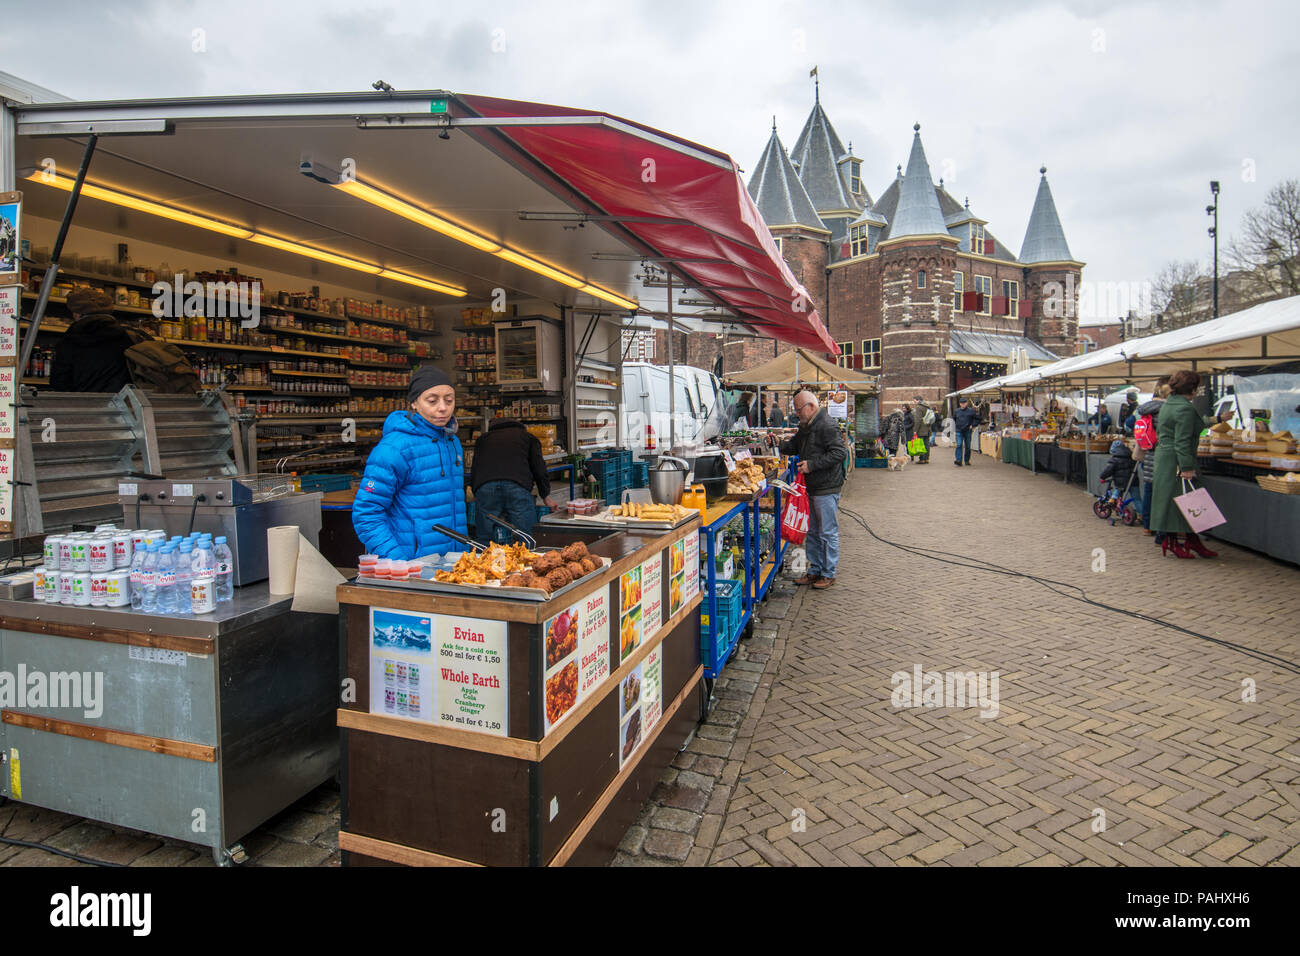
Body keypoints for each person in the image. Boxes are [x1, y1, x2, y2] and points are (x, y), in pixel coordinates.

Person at [353, 366, 468, 559]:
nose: (443, 407)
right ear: (414, 403)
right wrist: (397, 561)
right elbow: (366, 513)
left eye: (449, 400)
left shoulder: (452, 442)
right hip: (413, 565)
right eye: (432, 400)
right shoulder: (394, 449)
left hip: (451, 564)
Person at [780, 390, 846, 589]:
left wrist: (812, 465)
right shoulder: (807, 426)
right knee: (814, 531)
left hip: (826, 486)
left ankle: (828, 573)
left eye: (799, 409)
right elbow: (794, 446)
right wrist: (778, 443)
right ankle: (815, 570)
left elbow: (839, 453)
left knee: (827, 531)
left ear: (811, 406)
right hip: (813, 486)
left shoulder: (826, 425)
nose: (797, 413)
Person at [1148, 370, 1218, 559]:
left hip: (1165, 458)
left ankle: (1183, 541)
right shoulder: (1184, 408)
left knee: (1173, 502)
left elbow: (1189, 426)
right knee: (1185, 502)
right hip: (1176, 460)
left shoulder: (1169, 404)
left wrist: (1215, 420)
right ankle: (1182, 541)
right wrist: (1186, 467)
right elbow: (1182, 440)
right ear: (1193, 389)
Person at [471, 419, 558, 544]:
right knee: (526, 537)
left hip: (486, 487)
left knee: (485, 538)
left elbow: (475, 468)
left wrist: (476, 492)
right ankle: (527, 560)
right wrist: (546, 496)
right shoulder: (528, 438)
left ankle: (482, 559)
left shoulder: (483, 439)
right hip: (517, 486)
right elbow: (539, 468)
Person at [50, 288, 147, 392]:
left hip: (85, 404)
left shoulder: (69, 340)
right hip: (128, 403)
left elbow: (60, 382)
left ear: (77, 314)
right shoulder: (132, 337)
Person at [1134, 384, 1170, 534]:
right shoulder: (1165, 411)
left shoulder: (1146, 409)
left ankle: (1148, 525)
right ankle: (1161, 527)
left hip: (1148, 453)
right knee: (1160, 493)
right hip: (1161, 455)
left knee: (1148, 491)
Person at [953, 397, 980, 466]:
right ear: (960, 404)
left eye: (964, 403)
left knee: (967, 446)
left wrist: (973, 425)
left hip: (968, 430)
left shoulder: (971, 411)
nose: (963, 404)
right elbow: (954, 419)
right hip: (959, 430)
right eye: (961, 403)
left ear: (967, 403)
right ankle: (958, 460)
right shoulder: (957, 411)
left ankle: (967, 460)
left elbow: (978, 419)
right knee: (959, 445)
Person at [912, 395, 934, 463]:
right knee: (926, 444)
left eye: (914, 400)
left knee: (921, 444)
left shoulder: (919, 407)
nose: (914, 402)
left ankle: (922, 459)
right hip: (927, 428)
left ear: (918, 400)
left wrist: (915, 430)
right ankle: (927, 458)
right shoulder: (928, 407)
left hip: (921, 429)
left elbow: (917, 420)